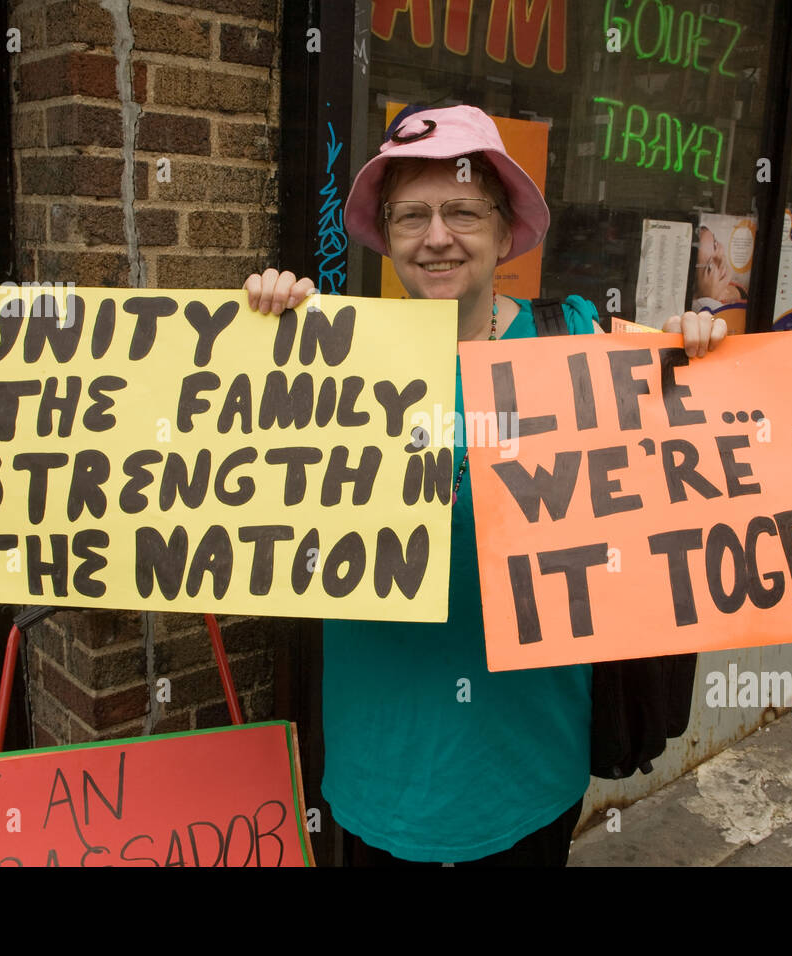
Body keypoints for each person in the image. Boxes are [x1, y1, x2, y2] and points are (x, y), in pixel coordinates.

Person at [244, 104, 726, 866]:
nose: (437, 236)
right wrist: (261, 335)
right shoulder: (332, 354)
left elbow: (678, 471)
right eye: (412, 216)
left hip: (528, 764)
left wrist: (698, 359)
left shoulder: (573, 337)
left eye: (463, 210)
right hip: (384, 765)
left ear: (505, 233)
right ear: (387, 237)